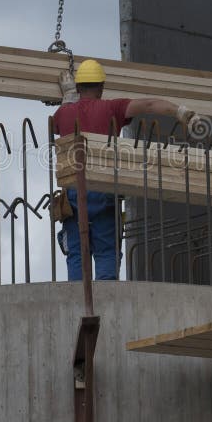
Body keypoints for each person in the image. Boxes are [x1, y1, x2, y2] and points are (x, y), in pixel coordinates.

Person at [53, 59, 200, 281]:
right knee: (107, 252)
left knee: (76, 252)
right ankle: (107, 301)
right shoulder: (113, 108)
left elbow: (58, 125)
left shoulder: (63, 114)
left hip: (75, 191)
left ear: (79, 86)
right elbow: (149, 105)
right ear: (101, 87)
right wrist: (179, 111)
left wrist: (68, 100)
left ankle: (76, 299)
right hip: (104, 189)